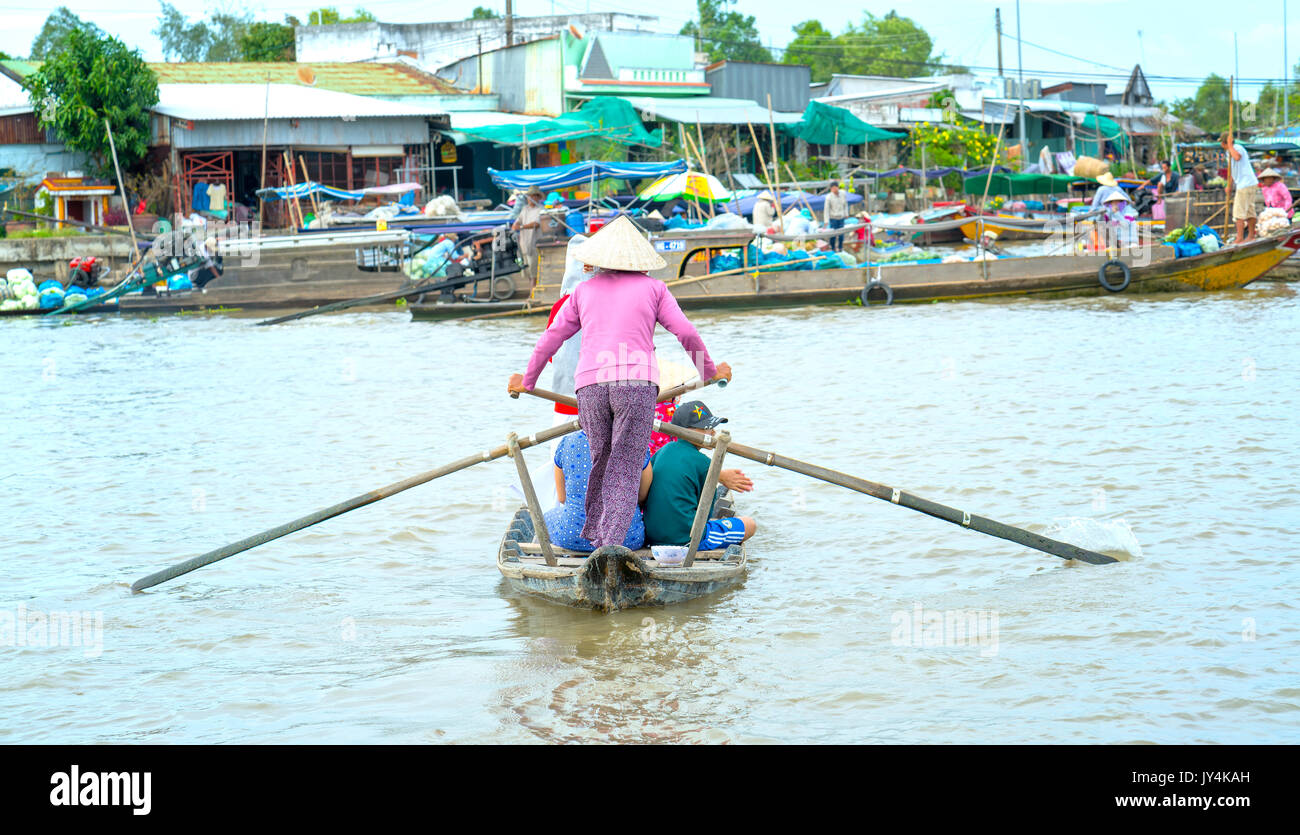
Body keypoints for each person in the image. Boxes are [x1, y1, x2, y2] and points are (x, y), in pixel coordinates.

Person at [508, 215, 731, 550]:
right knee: (625, 467)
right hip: (636, 385)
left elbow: (551, 338)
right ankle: (611, 547)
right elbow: (685, 332)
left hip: (591, 387)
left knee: (601, 462)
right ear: (639, 261)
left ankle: (597, 542)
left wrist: (527, 381)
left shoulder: (582, 292)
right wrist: (709, 370)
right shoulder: (654, 288)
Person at [642, 401, 756, 549]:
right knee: (749, 524)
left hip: (652, 535)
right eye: (706, 428)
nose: (713, 433)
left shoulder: (661, 451)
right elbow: (705, 515)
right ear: (686, 431)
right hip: (685, 539)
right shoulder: (704, 462)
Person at [544, 429, 652, 552]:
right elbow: (642, 496)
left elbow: (562, 498)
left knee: (548, 516)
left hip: (572, 535)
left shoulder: (568, 442)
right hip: (628, 539)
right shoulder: (636, 442)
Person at [1220, 130, 1260, 243]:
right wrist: (1229, 185)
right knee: (1249, 211)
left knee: (1239, 213)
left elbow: (1237, 157)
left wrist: (1230, 145)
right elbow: (1232, 170)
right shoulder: (1229, 152)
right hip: (1247, 183)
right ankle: (1251, 236)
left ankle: (1240, 238)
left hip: (1246, 183)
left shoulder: (1237, 148)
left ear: (1225, 143)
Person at [511, 185, 545, 282]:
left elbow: (536, 223)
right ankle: (531, 291)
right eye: (529, 196)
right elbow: (518, 221)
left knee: (534, 269)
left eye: (533, 196)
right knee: (527, 269)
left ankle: (532, 292)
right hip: (524, 244)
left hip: (534, 243)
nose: (531, 198)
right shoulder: (525, 209)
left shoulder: (540, 209)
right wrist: (516, 225)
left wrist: (521, 227)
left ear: (537, 197)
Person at [823, 182, 849, 252]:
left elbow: (845, 204)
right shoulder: (829, 197)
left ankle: (840, 248)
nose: (834, 189)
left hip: (841, 217)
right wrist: (826, 221)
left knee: (841, 234)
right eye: (832, 188)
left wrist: (846, 213)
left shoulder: (843, 194)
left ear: (838, 187)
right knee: (833, 234)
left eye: (835, 188)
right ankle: (833, 248)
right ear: (831, 189)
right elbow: (826, 209)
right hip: (833, 218)